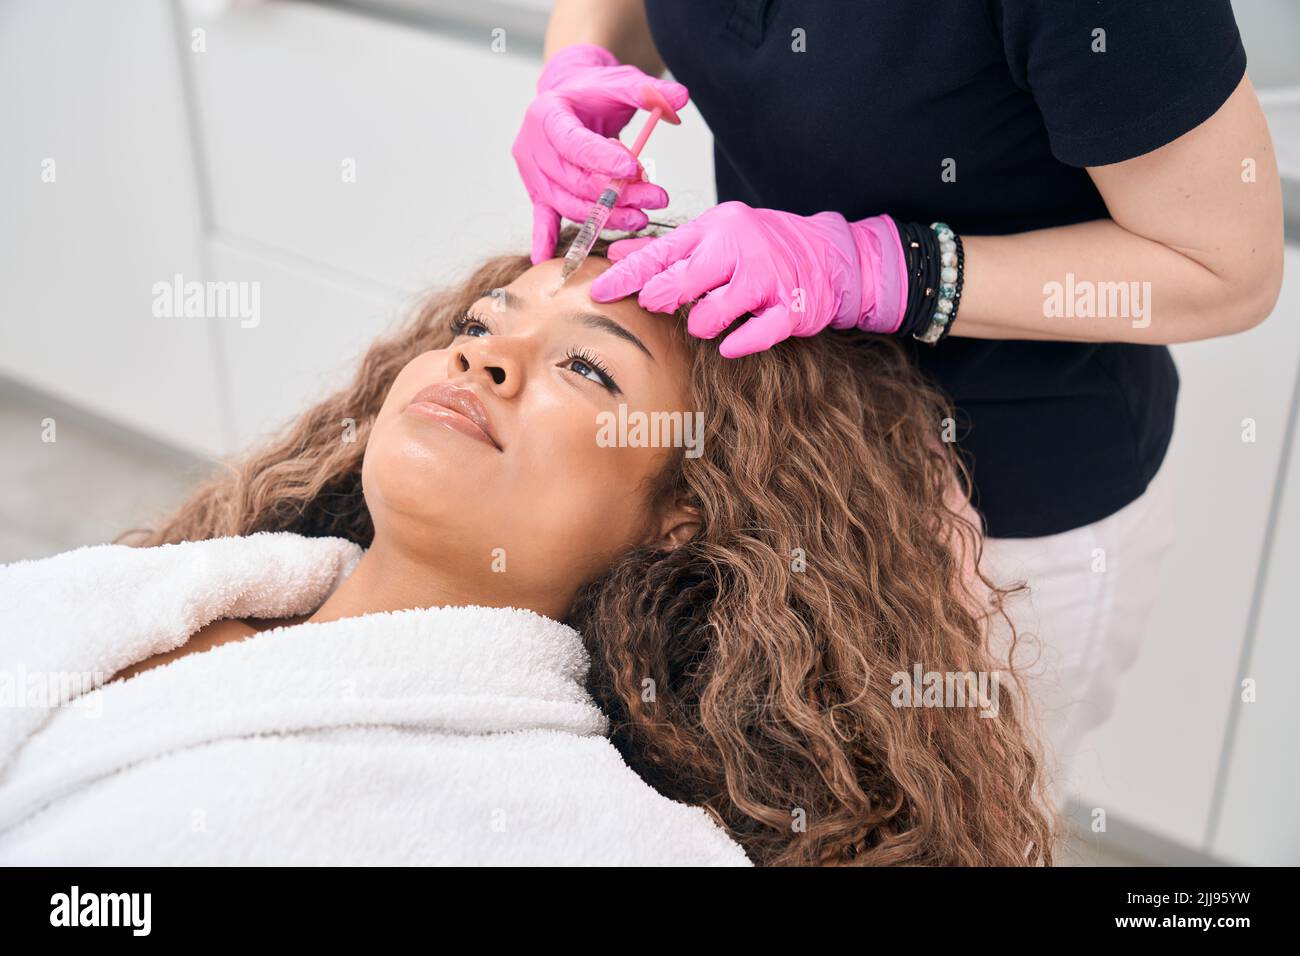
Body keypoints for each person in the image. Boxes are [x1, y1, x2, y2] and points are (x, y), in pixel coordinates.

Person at [0, 233, 1056, 865]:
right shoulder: (142, 601)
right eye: (481, 321)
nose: (482, 357)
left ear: (686, 509)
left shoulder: (590, 832)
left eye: (589, 371)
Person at [512, 0, 1285, 768]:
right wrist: (578, 65)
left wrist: (895, 272)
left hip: (1009, 502)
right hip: (784, 438)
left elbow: (1230, 269)